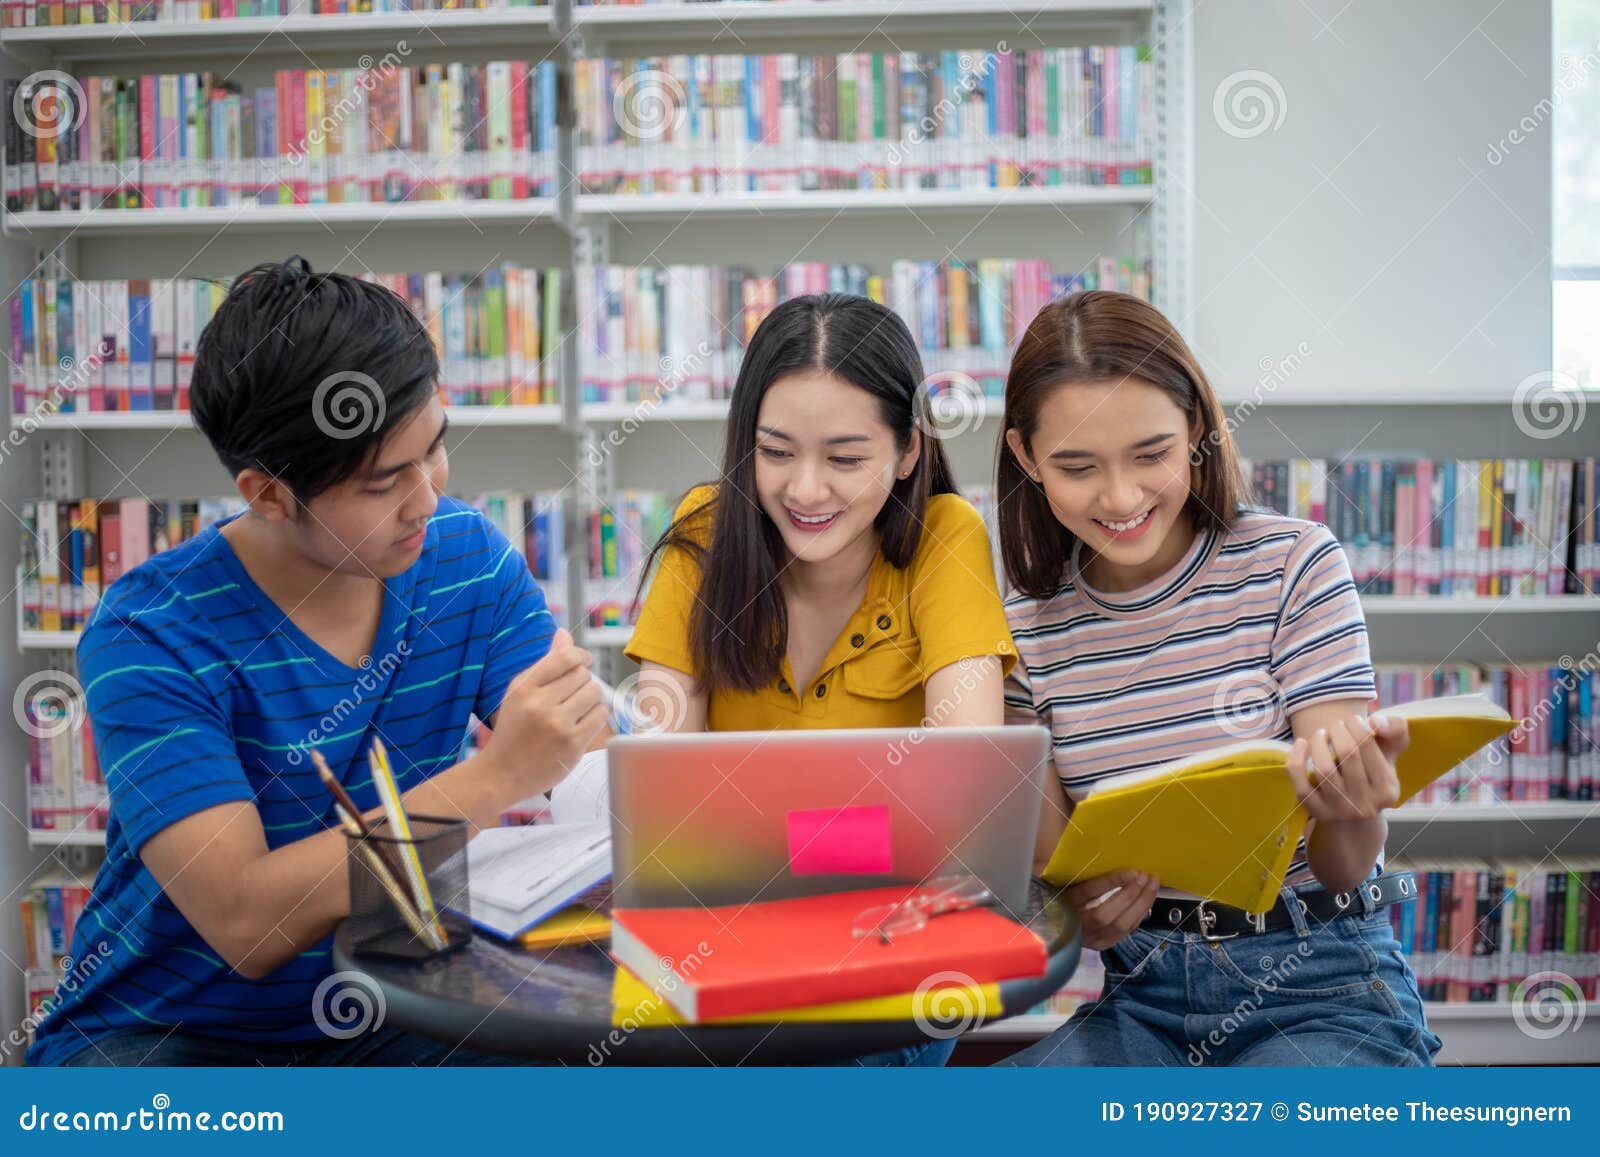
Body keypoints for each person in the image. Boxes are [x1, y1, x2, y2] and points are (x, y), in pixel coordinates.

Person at [27, 257, 605, 1067]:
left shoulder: (464, 556)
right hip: (168, 1034)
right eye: (381, 484)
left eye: (434, 450)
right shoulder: (149, 632)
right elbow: (246, 921)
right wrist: (494, 777)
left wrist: (595, 764)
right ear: (268, 494)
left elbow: (588, 761)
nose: (427, 499)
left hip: (398, 1003)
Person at [994, 291, 1441, 1067]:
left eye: (1151, 453)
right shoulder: (1024, 627)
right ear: (1027, 456)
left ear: (1196, 429)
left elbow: (1342, 865)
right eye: (1076, 466)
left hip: (1325, 984)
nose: (1122, 497)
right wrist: (1081, 909)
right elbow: (1053, 869)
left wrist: (1356, 805)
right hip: (1141, 1001)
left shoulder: (1293, 564)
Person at [624, 293, 1019, 1066]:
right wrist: (856, 833)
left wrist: (755, 836)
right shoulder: (702, 533)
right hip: (723, 943)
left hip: (887, 956)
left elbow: (968, 810)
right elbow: (661, 811)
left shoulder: (948, 537)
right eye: (775, 452)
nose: (805, 490)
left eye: (844, 457)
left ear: (908, 451)